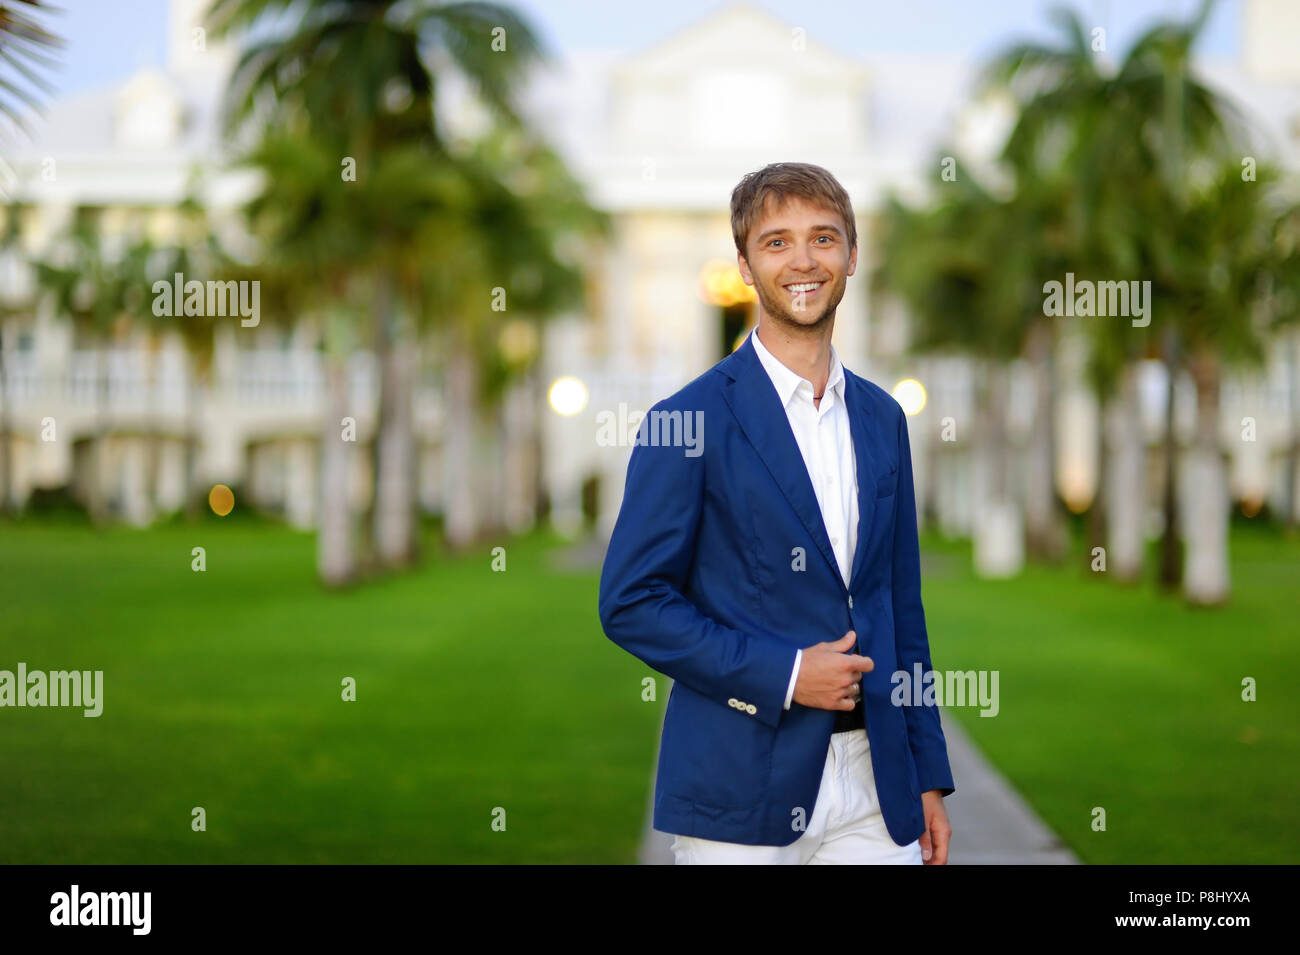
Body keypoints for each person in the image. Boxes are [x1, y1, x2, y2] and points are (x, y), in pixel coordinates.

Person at [598, 162, 956, 864]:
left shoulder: (884, 419)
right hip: (737, 783)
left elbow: (900, 608)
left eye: (824, 238)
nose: (803, 260)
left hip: (873, 785)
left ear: (852, 256)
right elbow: (631, 601)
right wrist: (787, 673)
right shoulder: (688, 420)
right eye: (777, 241)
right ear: (744, 265)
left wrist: (927, 774)